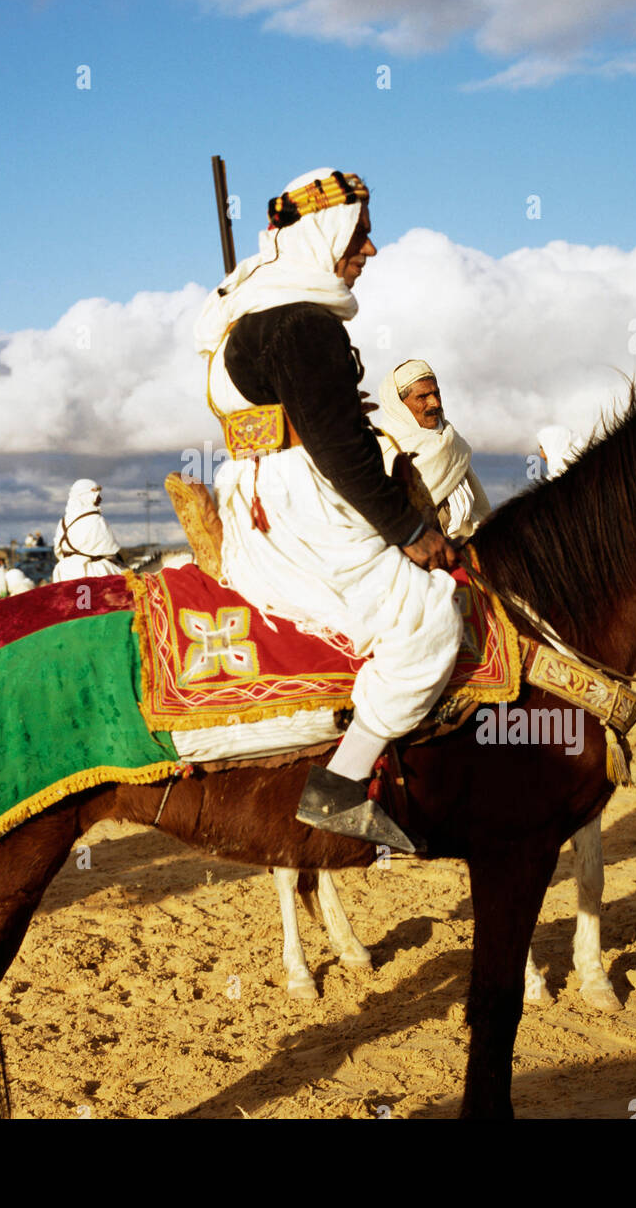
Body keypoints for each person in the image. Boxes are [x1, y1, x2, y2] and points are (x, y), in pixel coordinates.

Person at [195, 168, 461, 852]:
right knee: (428, 615)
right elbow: (341, 449)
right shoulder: (302, 321)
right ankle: (341, 785)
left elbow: (306, 414)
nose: (369, 250)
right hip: (303, 510)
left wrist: (333, 408)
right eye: (361, 235)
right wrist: (408, 530)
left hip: (269, 496)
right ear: (325, 233)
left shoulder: (261, 309)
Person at [375, 359, 491, 538]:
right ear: (399, 405)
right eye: (422, 397)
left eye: (436, 393)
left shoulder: (450, 441)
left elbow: (478, 508)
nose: (435, 403)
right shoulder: (384, 452)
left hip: (471, 543)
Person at [52, 481, 124, 582]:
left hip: (64, 572)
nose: (100, 499)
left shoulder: (62, 522)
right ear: (87, 496)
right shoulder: (95, 519)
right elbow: (111, 552)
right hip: (94, 572)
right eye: (97, 496)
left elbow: (58, 551)